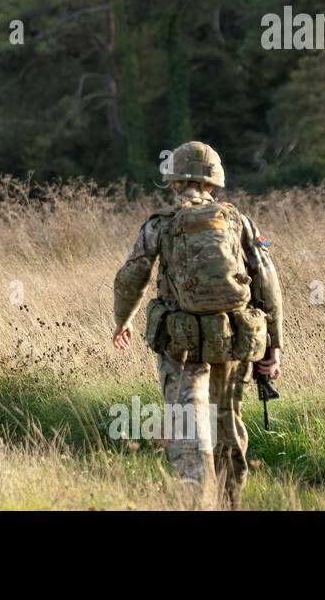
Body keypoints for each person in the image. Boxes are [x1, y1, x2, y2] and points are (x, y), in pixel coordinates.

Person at [111, 141, 283, 510]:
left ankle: (194, 503)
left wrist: (121, 321)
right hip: (233, 341)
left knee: (188, 425)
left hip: (181, 344)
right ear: (214, 182)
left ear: (173, 181)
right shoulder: (239, 221)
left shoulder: (161, 223)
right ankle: (230, 503)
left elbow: (132, 277)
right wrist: (274, 345)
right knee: (227, 423)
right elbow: (267, 280)